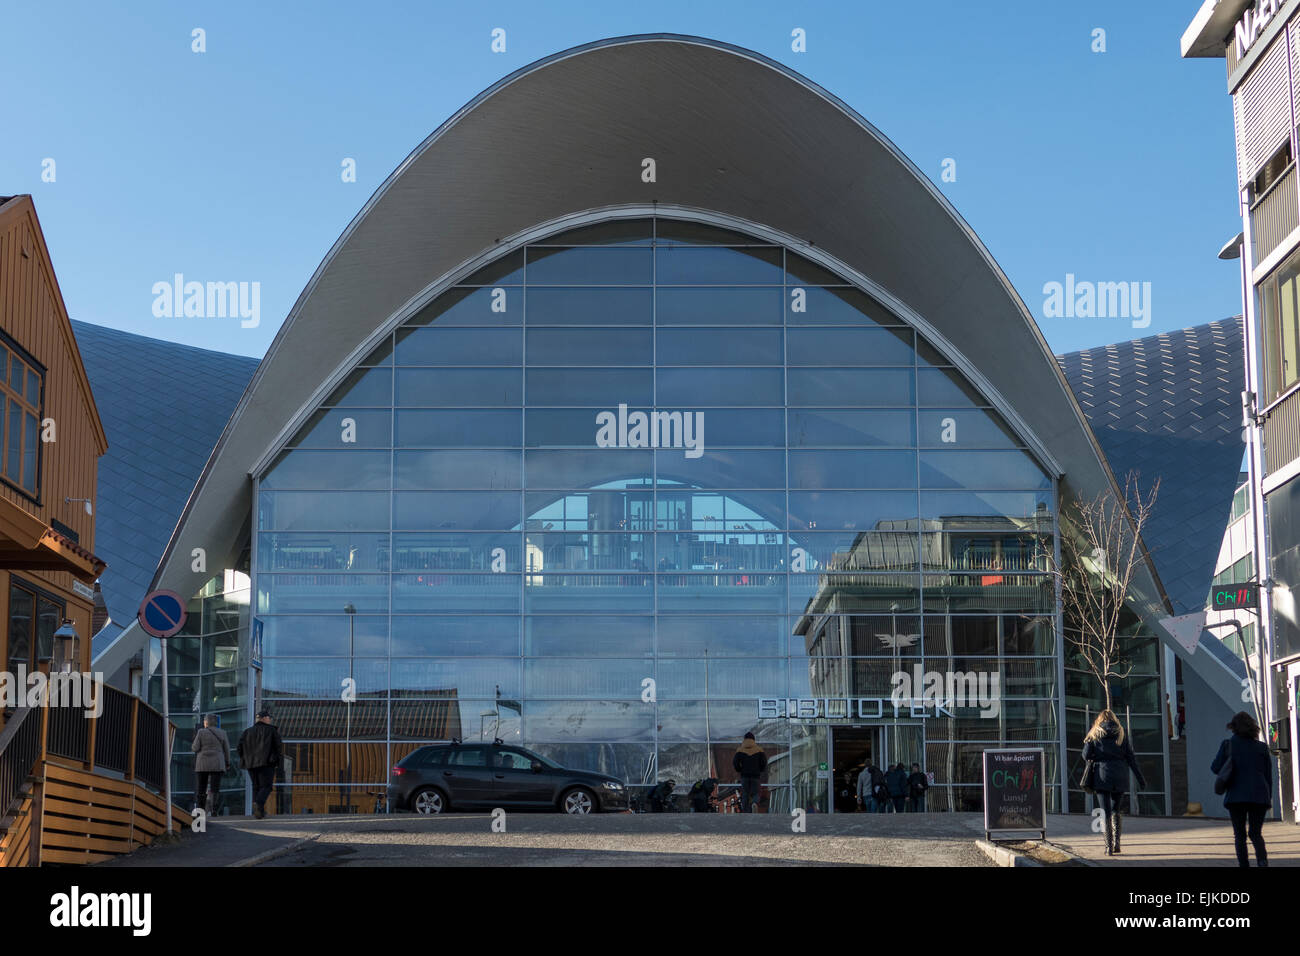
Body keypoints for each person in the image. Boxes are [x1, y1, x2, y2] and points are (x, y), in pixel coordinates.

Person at [1210, 711, 1273, 867]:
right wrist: (1268, 797)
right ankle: (1262, 862)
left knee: (1240, 835)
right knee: (1255, 833)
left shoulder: (1228, 745)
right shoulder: (1262, 748)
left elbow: (1216, 768)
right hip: (1259, 796)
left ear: (1233, 727)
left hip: (1236, 796)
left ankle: (1244, 864)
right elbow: (1268, 776)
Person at [1081, 709, 1146, 856]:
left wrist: (1089, 743)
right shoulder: (1121, 733)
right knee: (1116, 809)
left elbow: (1085, 756)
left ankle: (1108, 847)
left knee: (1105, 811)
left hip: (1102, 775)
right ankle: (1117, 844)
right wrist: (1141, 779)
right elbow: (1131, 759)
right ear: (1114, 719)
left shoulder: (1095, 733)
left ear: (1099, 719)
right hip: (1120, 775)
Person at [238, 708, 283, 819]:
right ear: (263, 719)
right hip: (266, 762)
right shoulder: (271, 731)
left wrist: (245, 758)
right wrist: (276, 760)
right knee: (266, 786)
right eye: (269, 718)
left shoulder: (247, 732)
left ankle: (259, 812)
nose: (270, 720)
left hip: (251, 764)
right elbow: (278, 747)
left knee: (256, 787)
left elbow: (239, 748)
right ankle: (258, 803)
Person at [191, 713, 231, 816]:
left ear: (206, 722)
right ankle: (214, 810)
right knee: (215, 788)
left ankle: (200, 810)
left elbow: (195, 748)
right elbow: (227, 750)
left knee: (201, 787)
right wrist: (227, 762)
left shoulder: (200, 732)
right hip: (217, 763)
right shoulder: (222, 732)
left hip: (202, 763)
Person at [733, 732, 767, 813]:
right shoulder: (759, 750)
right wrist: (760, 770)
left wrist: (739, 770)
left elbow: (735, 762)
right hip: (755, 776)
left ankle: (746, 811)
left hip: (744, 776)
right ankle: (754, 803)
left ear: (744, 739)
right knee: (755, 793)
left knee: (745, 794)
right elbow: (764, 762)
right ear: (753, 739)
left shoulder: (740, 750)